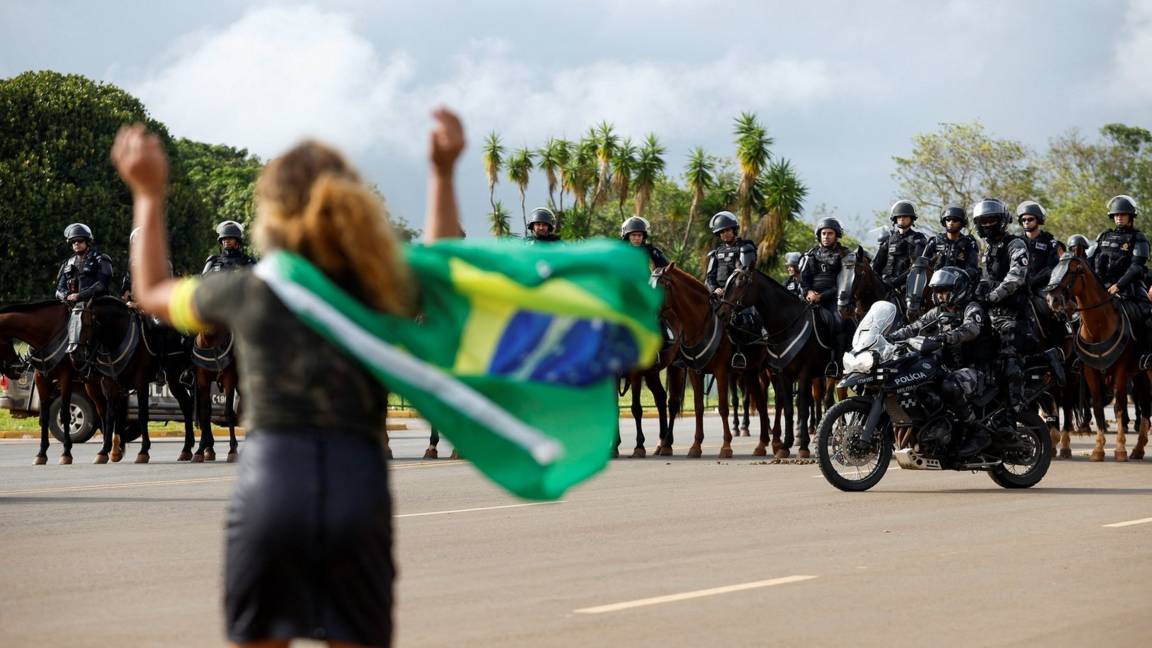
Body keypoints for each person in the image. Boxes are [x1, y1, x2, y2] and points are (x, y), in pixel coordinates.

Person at [113, 108, 466, 647]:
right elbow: (441, 265)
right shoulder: (379, 287)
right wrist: (442, 173)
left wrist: (149, 193)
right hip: (358, 482)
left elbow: (154, 291)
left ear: (272, 212)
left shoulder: (249, 289)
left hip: (271, 483)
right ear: (352, 208)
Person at [888, 266, 993, 456]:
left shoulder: (972, 307)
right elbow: (914, 327)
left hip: (976, 369)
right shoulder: (937, 312)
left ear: (958, 288)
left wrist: (946, 337)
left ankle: (977, 430)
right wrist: (889, 337)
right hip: (947, 366)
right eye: (937, 291)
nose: (940, 295)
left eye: (944, 291)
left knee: (949, 386)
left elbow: (971, 329)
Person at [972, 198, 1030, 410]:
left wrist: (993, 296)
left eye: (991, 220)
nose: (987, 225)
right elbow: (983, 278)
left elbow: (1016, 276)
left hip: (1012, 313)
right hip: (990, 314)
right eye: (983, 221)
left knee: (1009, 356)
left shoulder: (1015, 244)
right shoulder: (988, 249)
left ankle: (1017, 404)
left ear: (1002, 221)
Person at [1088, 194, 1152, 367]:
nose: (1119, 217)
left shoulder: (1138, 238)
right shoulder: (1103, 236)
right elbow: (1089, 260)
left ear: (1131, 216)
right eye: (1116, 215)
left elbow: (1137, 266)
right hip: (1102, 288)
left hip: (1129, 287)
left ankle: (1147, 355)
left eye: (1122, 214)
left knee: (1148, 313)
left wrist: (1119, 285)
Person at [54, 222, 113, 361]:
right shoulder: (67, 263)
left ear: (87, 242)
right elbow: (59, 289)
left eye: (80, 241)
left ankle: (110, 358)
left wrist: (80, 295)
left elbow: (101, 285)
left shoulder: (101, 258)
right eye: (73, 241)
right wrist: (67, 296)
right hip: (71, 306)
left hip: (97, 303)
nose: (76, 244)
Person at [800, 217, 852, 373]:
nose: (826, 236)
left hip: (833, 300)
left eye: (830, 233)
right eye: (823, 233)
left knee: (840, 323)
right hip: (810, 298)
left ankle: (836, 363)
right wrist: (808, 292)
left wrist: (822, 296)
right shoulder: (811, 255)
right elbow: (804, 278)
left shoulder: (845, 254)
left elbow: (844, 283)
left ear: (836, 236)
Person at [872, 200, 927, 300]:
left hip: (906, 288)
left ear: (911, 219)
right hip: (884, 287)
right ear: (895, 219)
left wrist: (895, 282)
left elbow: (915, 267)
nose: (902, 219)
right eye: (899, 217)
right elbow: (877, 264)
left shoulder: (918, 239)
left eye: (905, 217)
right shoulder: (889, 239)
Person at [704, 211, 756, 297]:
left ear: (734, 230)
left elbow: (745, 275)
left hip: (740, 297)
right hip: (719, 296)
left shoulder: (745, 248)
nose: (725, 234)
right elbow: (709, 278)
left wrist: (727, 290)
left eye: (727, 230)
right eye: (722, 232)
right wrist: (715, 289)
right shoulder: (716, 252)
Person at [921, 205, 979, 280]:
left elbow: (972, 269)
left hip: (958, 284)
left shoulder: (969, 243)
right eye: (948, 220)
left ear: (962, 223)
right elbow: (922, 264)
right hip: (934, 284)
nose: (951, 223)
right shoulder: (935, 241)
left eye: (955, 220)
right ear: (944, 222)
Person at [1017, 201, 1060, 296]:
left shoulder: (1049, 241)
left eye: (1030, 219)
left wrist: (1032, 282)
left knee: (1053, 306)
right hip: (1018, 286)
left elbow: (1051, 267)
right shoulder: (1016, 242)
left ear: (1038, 220)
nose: (1026, 222)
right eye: (1023, 220)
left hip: (1042, 287)